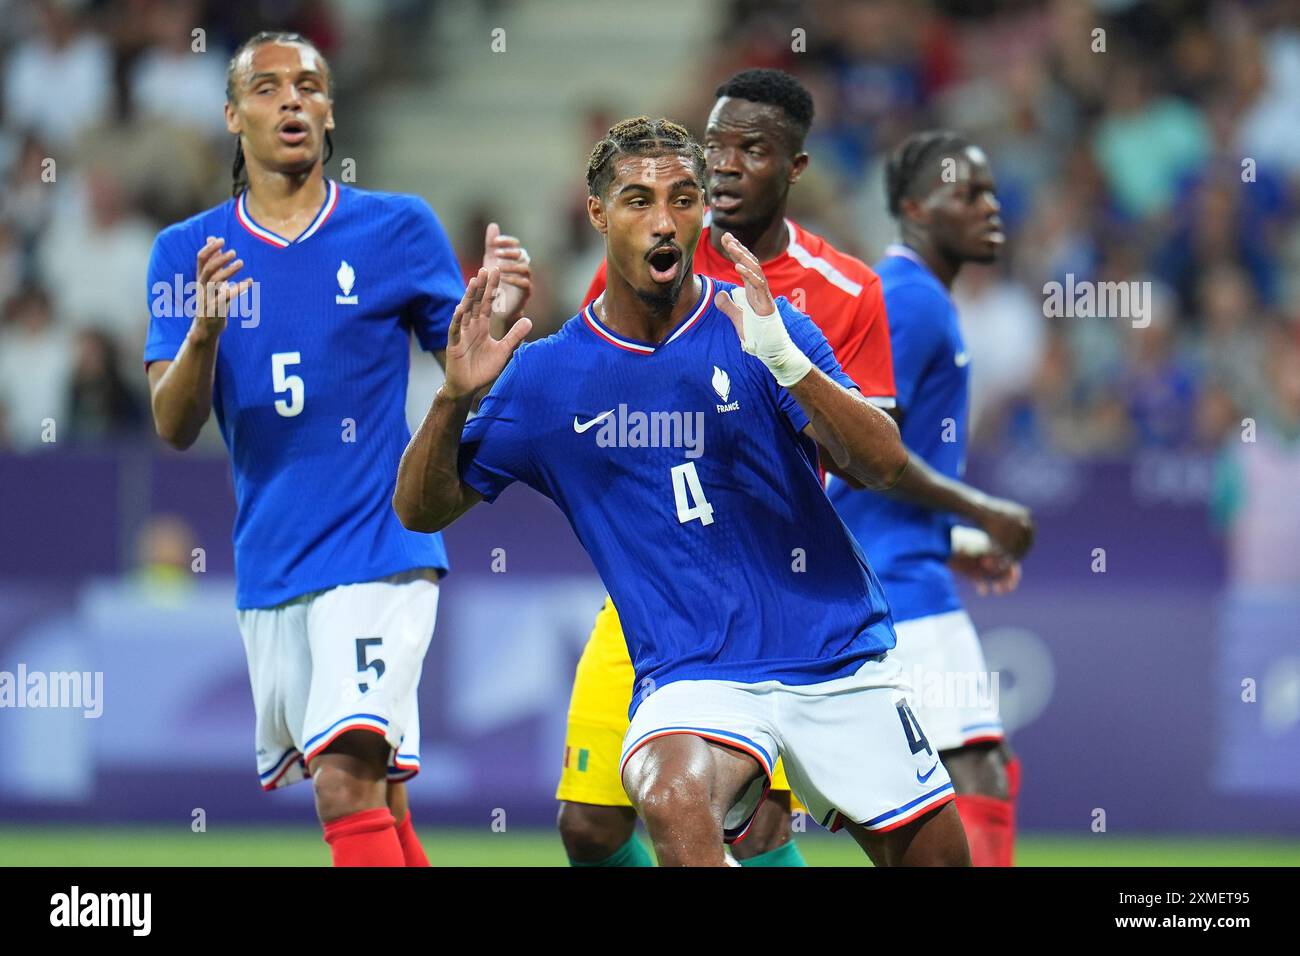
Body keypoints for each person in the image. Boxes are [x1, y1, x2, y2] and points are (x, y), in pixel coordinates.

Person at [394, 116, 970, 867]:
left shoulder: (763, 325)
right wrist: (452, 398)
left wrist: (787, 363)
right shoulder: (545, 378)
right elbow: (420, 508)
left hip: (834, 653)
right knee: (667, 795)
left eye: (683, 197)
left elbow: (881, 463)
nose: (663, 221)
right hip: (695, 675)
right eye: (637, 201)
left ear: (704, 210)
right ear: (598, 214)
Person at [142, 31, 531, 866]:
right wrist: (205, 332)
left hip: (380, 547)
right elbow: (172, 427)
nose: (293, 100)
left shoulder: (396, 227)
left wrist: (493, 325)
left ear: (330, 111)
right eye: (269, 87)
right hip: (274, 563)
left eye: (311, 86)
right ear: (232, 114)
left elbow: (465, 368)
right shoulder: (188, 252)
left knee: (343, 781)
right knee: (382, 794)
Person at [560, 69, 895, 867]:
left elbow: (878, 452)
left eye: (754, 148)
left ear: (795, 166)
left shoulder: (845, 293)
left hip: (768, 592)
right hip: (651, 589)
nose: (730, 164)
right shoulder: (650, 254)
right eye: (716, 146)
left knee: (754, 823)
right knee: (589, 826)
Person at [829, 130, 1035, 866]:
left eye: (991, 191)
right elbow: (866, 455)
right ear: (914, 206)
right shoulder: (913, 302)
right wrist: (982, 509)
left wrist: (955, 539)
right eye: (968, 193)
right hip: (900, 588)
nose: (991, 207)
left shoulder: (905, 295)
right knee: (976, 768)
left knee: (920, 804)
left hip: (892, 567)